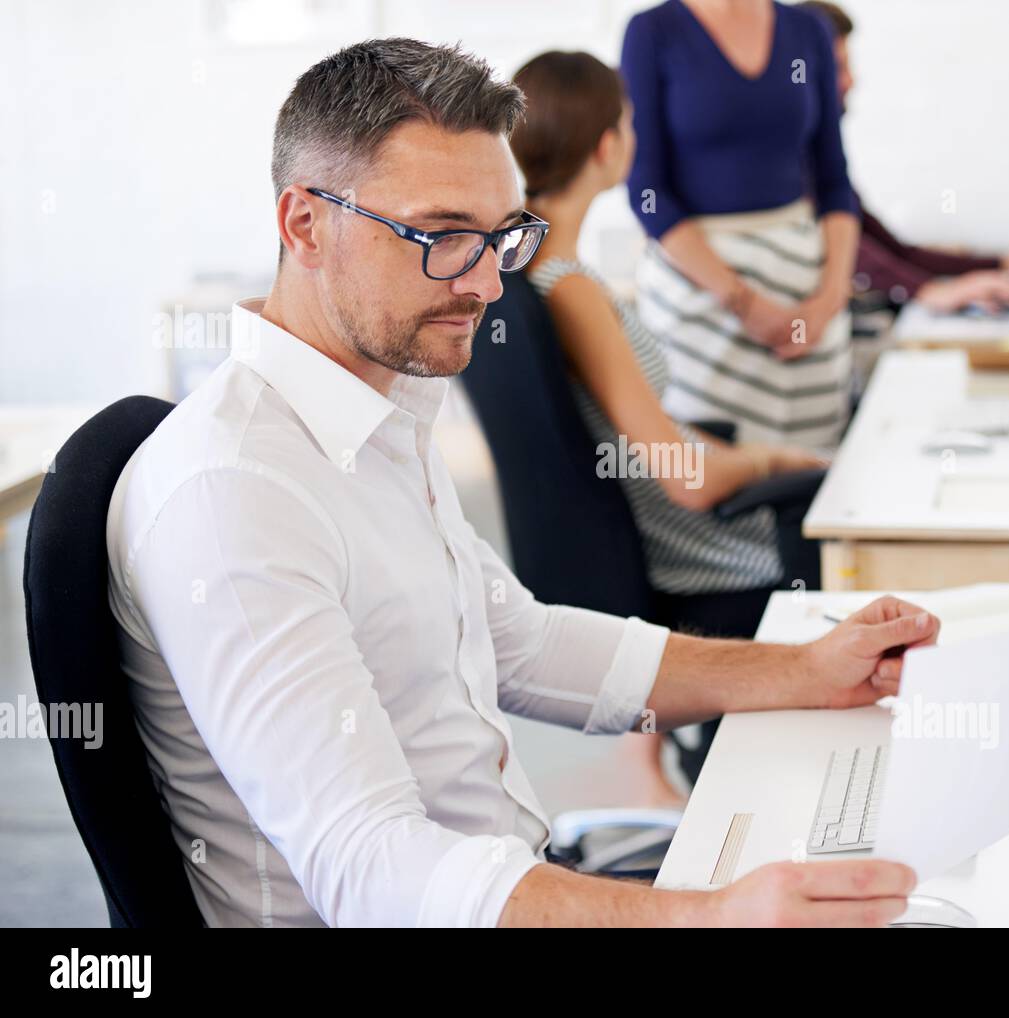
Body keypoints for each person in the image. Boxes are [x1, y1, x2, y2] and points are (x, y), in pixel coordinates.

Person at [106, 38, 937, 928]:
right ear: (305, 224)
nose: (488, 283)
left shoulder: (384, 407)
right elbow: (368, 866)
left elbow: (518, 642)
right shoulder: (236, 492)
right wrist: (706, 918)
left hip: (505, 883)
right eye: (444, 237)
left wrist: (803, 670)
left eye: (504, 237)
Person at [510, 50, 829, 806]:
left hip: (623, 540)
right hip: (690, 554)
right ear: (607, 146)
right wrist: (773, 458)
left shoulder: (529, 277)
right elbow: (686, 480)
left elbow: (655, 441)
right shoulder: (572, 289)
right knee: (839, 528)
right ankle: (794, 793)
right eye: (625, 121)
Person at [621, 0, 861, 450]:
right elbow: (647, 192)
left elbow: (835, 181)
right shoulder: (653, 31)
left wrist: (828, 300)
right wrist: (744, 303)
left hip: (807, 294)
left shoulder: (808, 30)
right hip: (700, 296)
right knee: (713, 465)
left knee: (814, 472)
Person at [798, 1, 1009, 313]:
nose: (851, 81)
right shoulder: (786, 165)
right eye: (838, 68)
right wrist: (930, 292)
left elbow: (894, 252)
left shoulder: (821, 162)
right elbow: (844, 248)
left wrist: (1005, 264)